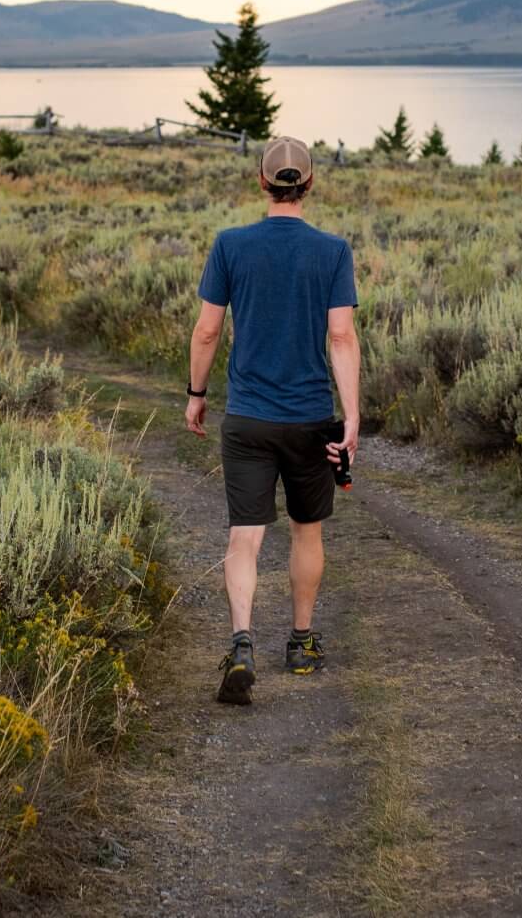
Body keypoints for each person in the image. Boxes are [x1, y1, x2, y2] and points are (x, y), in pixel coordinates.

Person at [185, 136, 360, 706]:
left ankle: (241, 645)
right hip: (310, 417)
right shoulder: (332, 252)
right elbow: (341, 336)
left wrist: (196, 395)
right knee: (306, 530)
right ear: (309, 184)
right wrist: (351, 417)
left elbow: (208, 330)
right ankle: (301, 643)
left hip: (248, 417)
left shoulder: (230, 245)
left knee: (245, 536)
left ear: (262, 182)